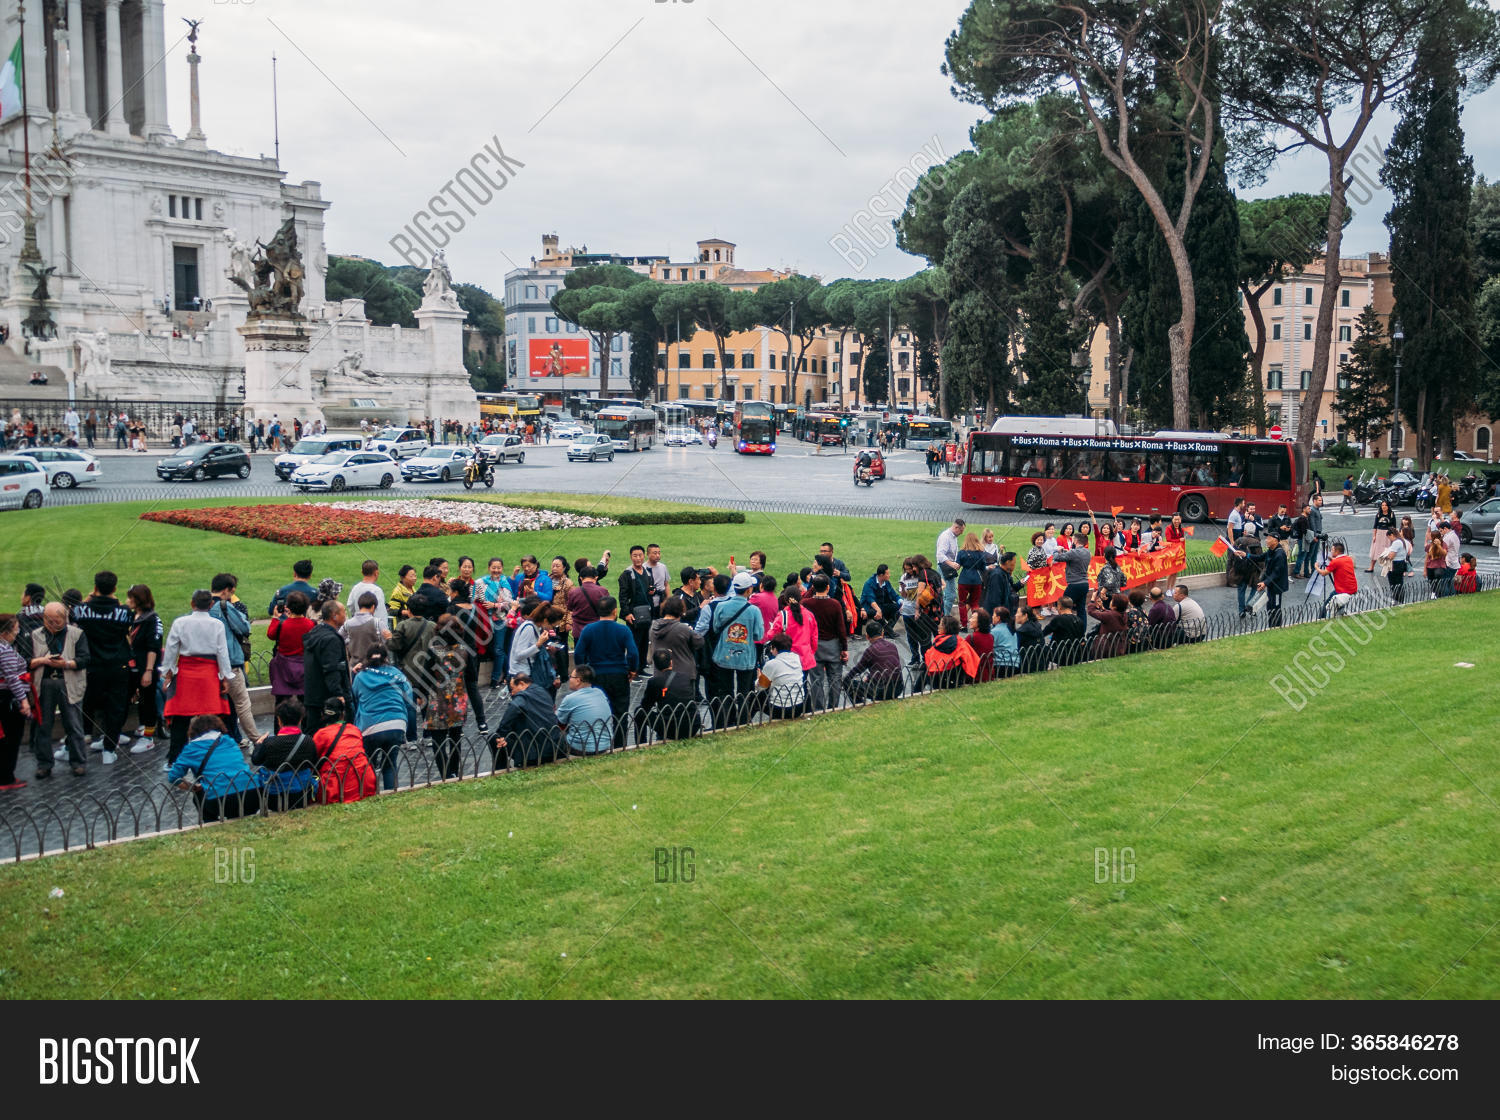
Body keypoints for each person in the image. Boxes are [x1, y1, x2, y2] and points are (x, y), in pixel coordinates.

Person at [160, 590, 231, 765]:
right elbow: (222, 652)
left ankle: (174, 759)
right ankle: (213, 756)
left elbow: (171, 649)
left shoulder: (180, 623)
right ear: (210, 605)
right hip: (208, 675)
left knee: (181, 718)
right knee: (212, 718)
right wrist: (225, 677)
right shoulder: (217, 625)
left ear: (192, 604)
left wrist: (168, 673)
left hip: (186, 675)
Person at [73, 570, 135, 764]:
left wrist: (90, 597)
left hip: (92, 665)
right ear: (115, 588)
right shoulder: (124, 612)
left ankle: (83, 738)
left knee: (88, 703)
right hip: (117, 665)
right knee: (116, 707)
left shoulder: (81, 610)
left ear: (95, 587)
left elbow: (76, 616)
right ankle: (110, 747)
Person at [573, 595, 639, 751]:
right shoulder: (623, 630)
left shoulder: (589, 629)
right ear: (615, 611)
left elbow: (578, 653)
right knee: (620, 711)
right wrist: (633, 669)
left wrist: (583, 671)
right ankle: (619, 745)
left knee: (597, 709)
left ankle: (598, 743)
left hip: (596, 675)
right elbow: (633, 653)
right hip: (618, 675)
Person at [168, 715, 262, 821]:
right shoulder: (229, 741)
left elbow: (173, 776)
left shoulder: (191, 749)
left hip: (219, 800)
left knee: (198, 796)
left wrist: (193, 787)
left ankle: (210, 823)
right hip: (252, 793)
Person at [701, 572, 764, 727]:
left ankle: (726, 722)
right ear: (749, 590)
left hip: (724, 655)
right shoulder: (753, 610)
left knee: (725, 692)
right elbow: (758, 634)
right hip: (746, 656)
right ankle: (742, 722)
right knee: (745, 692)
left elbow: (715, 627)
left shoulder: (721, 606)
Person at [208, 573, 258, 746]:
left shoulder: (201, 605)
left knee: (216, 705)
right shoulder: (224, 606)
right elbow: (244, 627)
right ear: (227, 590)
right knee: (242, 703)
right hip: (231, 663)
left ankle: (218, 739)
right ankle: (256, 739)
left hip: (208, 664)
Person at [250, 700, 320, 812]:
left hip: (274, 798)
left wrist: (258, 744)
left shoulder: (269, 743)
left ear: (279, 720)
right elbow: (314, 762)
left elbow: (256, 760)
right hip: (302, 795)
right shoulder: (308, 741)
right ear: (300, 720)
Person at [446, 579, 491, 737]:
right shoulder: (474, 609)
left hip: (455, 652)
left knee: (457, 689)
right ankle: (482, 723)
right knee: (473, 688)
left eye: (450, 591)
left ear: (455, 593)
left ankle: (459, 725)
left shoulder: (451, 608)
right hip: (471, 652)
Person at [492, 673, 565, 769]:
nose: (511, 693)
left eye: (512, 689)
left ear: (521, 684)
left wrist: (501, 735)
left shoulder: (522, 698)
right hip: (555, 746)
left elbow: (512, 712)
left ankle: (501, 769)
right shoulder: (542, 691)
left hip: (534, 752)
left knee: (494, 738)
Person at [302, 600, 352, 733]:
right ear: (334, 616)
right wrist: (339, 694)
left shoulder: (315, 632)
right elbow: (332, 669)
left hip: (313, 695)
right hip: (327, 699)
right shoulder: (331, 639)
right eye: (343, 612)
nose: (345, 615)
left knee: (314, 733)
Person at [312, 702, 378, 802]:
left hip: (335, 790)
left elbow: (313, 759)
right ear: (343, 714)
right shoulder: (354, 730)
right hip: (363, 785)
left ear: (323, 715)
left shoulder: (321, 735)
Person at [800, 573, 848, 712]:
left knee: (816, 680)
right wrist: (844, 648)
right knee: (835, 679)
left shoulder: (806, 604)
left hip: (814, 646)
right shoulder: (835, 604)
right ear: (828, 587)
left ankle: (819, 708)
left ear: (813, 587)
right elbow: (841, 628)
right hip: (833, 644)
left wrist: (812, 588)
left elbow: (803, 599)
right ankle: (833, 706)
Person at [634, 650, 702, 743]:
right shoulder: (685, 677)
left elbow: (645, 706)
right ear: (671, 662)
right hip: (692, 725)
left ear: (655, 665)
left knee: (639, 712)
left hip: (670, 729)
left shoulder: (654, 682)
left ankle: (641, 742)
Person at [0, 614, 33, 790]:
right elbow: (12, 678)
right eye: (15, 629)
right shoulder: (4, 650)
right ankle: (6, 777)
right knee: (11, 738)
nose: (17, 632)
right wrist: (23, 701)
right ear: (5, 632)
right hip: (8, 700)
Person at [267, 590, 314, 705]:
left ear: (288, 607)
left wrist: (275, 618)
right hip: (304, 667)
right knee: (305, 702)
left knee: (281, 702)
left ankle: (280, 722)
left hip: (284, 667)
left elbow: (271, 635)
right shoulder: (311, 624)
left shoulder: (282, 625)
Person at [556, 664, 615, 756]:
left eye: (571, 676)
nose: (569, 679)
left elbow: (559, 721)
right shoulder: (600, 693)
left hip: (581, 748)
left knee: (555, 734)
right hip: (605, 744)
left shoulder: (570, 698)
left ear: (578, 680)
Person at [509, 599, 562, 697]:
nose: (552, 629)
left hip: (527, 673)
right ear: (545, 620)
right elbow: (517, 655)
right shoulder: (529, 628)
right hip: (521, 676)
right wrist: (538, 645)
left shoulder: (537, 627)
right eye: (553, 625)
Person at [843, 620, 905, 703]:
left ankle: (860, 705)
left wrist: (845, 681)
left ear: (867, 636)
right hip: (898, 688)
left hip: (881, 691)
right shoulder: (892, 646)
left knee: (849, 684)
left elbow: (857, 670)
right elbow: (888, 668)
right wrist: (869, 677)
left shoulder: (870, 651)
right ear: (882, 633)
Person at [649, 596, 703, 686]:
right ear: (681, 611)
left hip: (660, 673)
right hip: (682, 674)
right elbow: (699, 642)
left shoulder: (654, 626)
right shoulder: (682, 628)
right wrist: (691, 631)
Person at [617, 545, 656, 663]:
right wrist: (627, 613)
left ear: (644, 556)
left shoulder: (648, 572)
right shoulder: (626, 575)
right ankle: (633, 668)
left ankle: (642, 666)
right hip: (633, 613)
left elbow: (650, 590)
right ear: (630, 557)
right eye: (635, 556)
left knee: (645, 640)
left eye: (640, 555)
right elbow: (622, 596)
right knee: (635, 642)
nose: (638, 558)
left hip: (646, 611)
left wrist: (652, 591)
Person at [757, 634, 807, 719]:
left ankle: (744, 722)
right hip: (798, 706)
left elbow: (761, 687)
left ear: (775, 648)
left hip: (779, 709)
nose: (771, 651)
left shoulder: (772, 664)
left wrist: (759, 677)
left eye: (772, 648)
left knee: (754, 697)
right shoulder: (796, 658)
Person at [924, 615, 979, 688]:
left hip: (936, 678)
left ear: (946, 627)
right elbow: (971, 659)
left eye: (941, 624)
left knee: (923, 673)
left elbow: (929, 659)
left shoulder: (938, 642)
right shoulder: (960, 642)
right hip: (954, 679)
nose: (938, 626)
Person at [954, 531, 989, 630]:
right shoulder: (981, 553)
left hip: (964, 579)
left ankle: (964, 624)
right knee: (974, 603)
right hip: (976, 580)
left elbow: (957, 566)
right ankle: (977, 624)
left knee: (962, 603)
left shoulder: (961, 553)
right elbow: (983, 568)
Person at [345, 559, 391, 635]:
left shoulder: (355, 588)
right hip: (374, 631)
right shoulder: (377, 590)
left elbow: (350, 606)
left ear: (362, 572)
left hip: (358, 628)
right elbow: (380, 613)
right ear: (377, 573)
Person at [1316, 542, 1359, 616]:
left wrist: (1316, 567)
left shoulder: (1335, 562)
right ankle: (1339, 610)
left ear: (1337, 551)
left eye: (1332, 550)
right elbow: (1339, 562)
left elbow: (1324, 573)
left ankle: (1322, 618)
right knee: (1333, 596)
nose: (1331, 551)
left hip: (1342, 590)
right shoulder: (1348, 559)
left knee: (1327, 604)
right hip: (1352, 588)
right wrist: (1331, 559)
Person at [860, 564, 902, 637]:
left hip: (881, 606)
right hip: (869, 607)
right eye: (888, 574)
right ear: (881, 575)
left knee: (898, 608)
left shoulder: (886, 583)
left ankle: (887, 631)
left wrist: (901, 602)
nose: (889, 575)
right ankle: (890, 631)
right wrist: (878, 610)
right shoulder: (869, 583)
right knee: (875, 612)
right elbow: (870, 599)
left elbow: (894, 595)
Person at [934, 518, 965, 618]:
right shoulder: (945, 537)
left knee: (949, 594)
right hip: (944, 568)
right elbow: (940, 555)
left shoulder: (953, 537)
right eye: (961, 530)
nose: (961, 533)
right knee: (950, 595)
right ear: (956, 527)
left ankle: (943, 615)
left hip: (949, 567)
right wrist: (952, 564)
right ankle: (944, 616)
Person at [1257, 533, 1290, 627]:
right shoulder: (1270, 551)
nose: (1266, 540)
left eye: (1269, 538)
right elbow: (1260, 557)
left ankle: (1276, 626)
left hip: (1277, 587)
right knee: (1270, 607)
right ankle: (1271, 625)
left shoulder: (1279, 554)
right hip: (1271, 585)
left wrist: (1265, 583)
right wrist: (1246, 555)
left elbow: (1276, 573)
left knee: (1275, 607)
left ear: (1275, 541)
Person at [1377, 527, 1411, 603]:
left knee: (1394, 583)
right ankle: (1400, 599)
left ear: (1392, 535)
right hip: (1402, 562)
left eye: (1389, 538)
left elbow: (1391, 555)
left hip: (1395, 564)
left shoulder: (1396, 542)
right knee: (1400, 582)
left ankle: (1396, 599)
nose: (1389, 540)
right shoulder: (1404, 541)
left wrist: (1386, 555)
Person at [968, 608, 996, 681]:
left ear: (980, 622)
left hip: (975, 675)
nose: (970, 620)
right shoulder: (991, 636)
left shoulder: (972, 637)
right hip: (989, 674)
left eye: (973, 618)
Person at [1369, 500, 1396, 573]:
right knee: (1375, 550)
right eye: (1382, 505)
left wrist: (1394, 537)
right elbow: (1375, 526)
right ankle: (1371, 567)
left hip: (1388, 534)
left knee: (1387, 551)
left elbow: (1394, 526)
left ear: (1388, 506)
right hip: (1379, 533)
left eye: (1385, 505)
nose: (1383, 507)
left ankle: (1387, 568)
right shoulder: (1378, 514)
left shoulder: (1391, 514)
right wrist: (1374, 536)